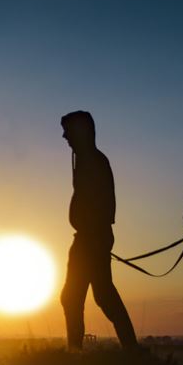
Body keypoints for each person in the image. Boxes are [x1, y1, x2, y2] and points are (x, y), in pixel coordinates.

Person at [59, 110, 139, 351]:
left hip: (91, 238)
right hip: (89, 238)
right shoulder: (87, 160)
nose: (64, 136)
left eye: (68, 131)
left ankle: (78, 352)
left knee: (91, 296)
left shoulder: (93, 161)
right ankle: (129, 350)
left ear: (81, 132)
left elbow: (103, 206)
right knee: (86, 296)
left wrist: (96, 240)